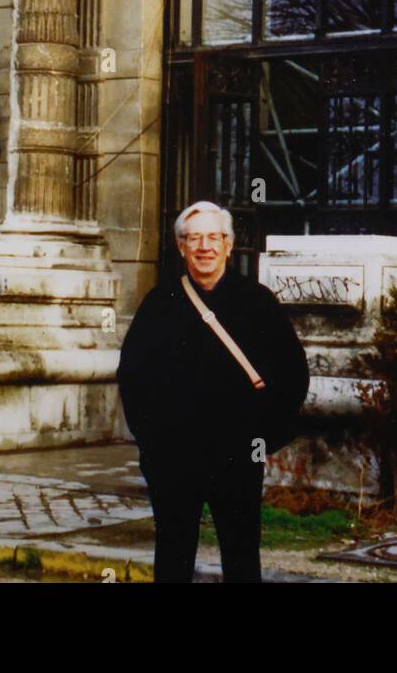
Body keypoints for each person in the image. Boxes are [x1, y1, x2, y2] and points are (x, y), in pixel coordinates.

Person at [116, 201, 310, 584]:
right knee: (173, 558)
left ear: (228, 245)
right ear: (181, 246)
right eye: (194, 238)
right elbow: (133, 379)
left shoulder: (257, 302)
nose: (204, 247)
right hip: (174, 460)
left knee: (241, 557)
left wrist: (261, 440)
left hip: (237, 457)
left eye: (213, 237)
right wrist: (153, 445)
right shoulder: (159, 304)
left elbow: (292, 375)